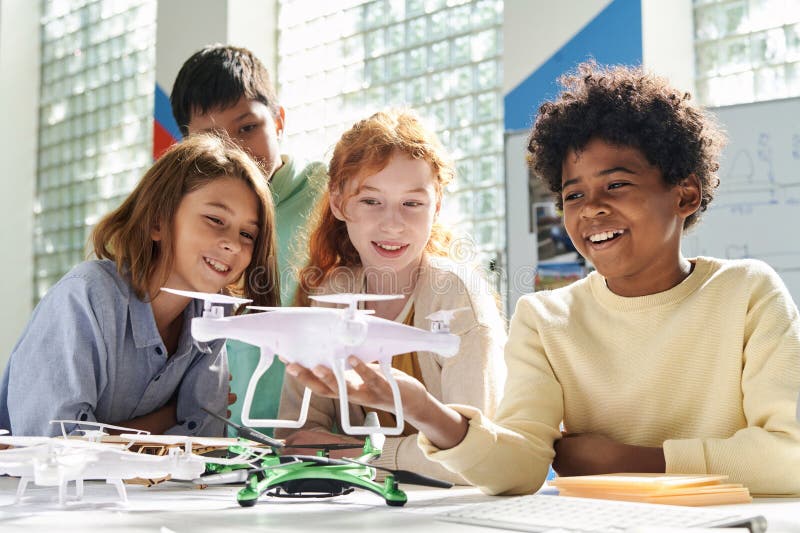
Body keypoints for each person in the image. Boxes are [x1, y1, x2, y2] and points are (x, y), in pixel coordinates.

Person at [284, 63, 800, 496]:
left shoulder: (747, 292)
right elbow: (518, 467)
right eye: (573, 195)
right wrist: (422, 408)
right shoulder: (545, 317)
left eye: (616, 185)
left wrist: (623, 459)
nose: (591, 208)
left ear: (684, 195)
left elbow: (790, 455)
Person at [277, 109, 507, 484]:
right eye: (371, 201)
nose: (393, 224)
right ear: (338, 203)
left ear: (436, 206)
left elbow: (478, 458)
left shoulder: (457, 296)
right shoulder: (331, 296)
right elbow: (296, 439)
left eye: (412, 204)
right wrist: (353, 454)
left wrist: (359, 453)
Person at [0, 133, 280, 437]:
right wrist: (171, 415)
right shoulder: (84, 298)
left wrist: (165, 425)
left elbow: (203, 439)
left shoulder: (210, 318)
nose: (233, 245)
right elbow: (56, 446)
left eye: (247, 235)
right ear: (157, 221)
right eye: (215, 219)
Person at [170, 44, 327, 431]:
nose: (235, 151)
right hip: (217, 438)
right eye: (212, 138)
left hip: (318, 434)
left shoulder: (332, 195)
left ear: (279, 121)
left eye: (247, 128)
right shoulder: (176, 218)